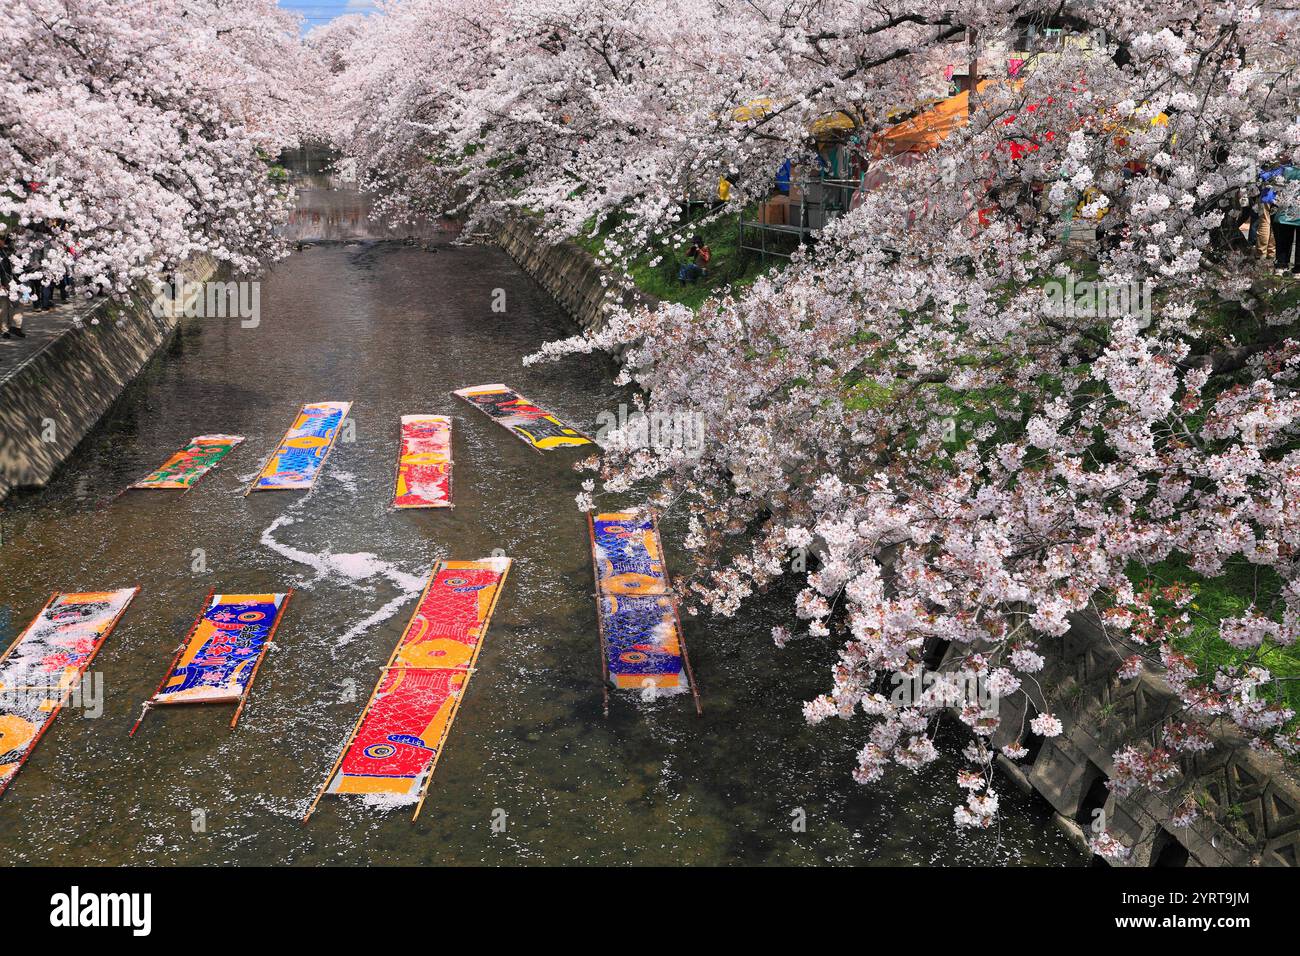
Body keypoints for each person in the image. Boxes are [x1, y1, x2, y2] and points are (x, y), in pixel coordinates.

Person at [1270, 160, 1300, 276]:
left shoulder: (1285, 169)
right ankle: (1297, 269)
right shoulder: (1285, 169)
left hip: (1285, 208)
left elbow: (1275, 185)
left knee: (1283, 238)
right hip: (1288, 206)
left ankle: (1281, 265)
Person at [0, 234, 24, 339]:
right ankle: (7, 329)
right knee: (5, 307)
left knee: (12, 306)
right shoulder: (5, 253)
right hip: (5, 284)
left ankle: (11, 328)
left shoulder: (9, 252)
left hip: (12, 283)